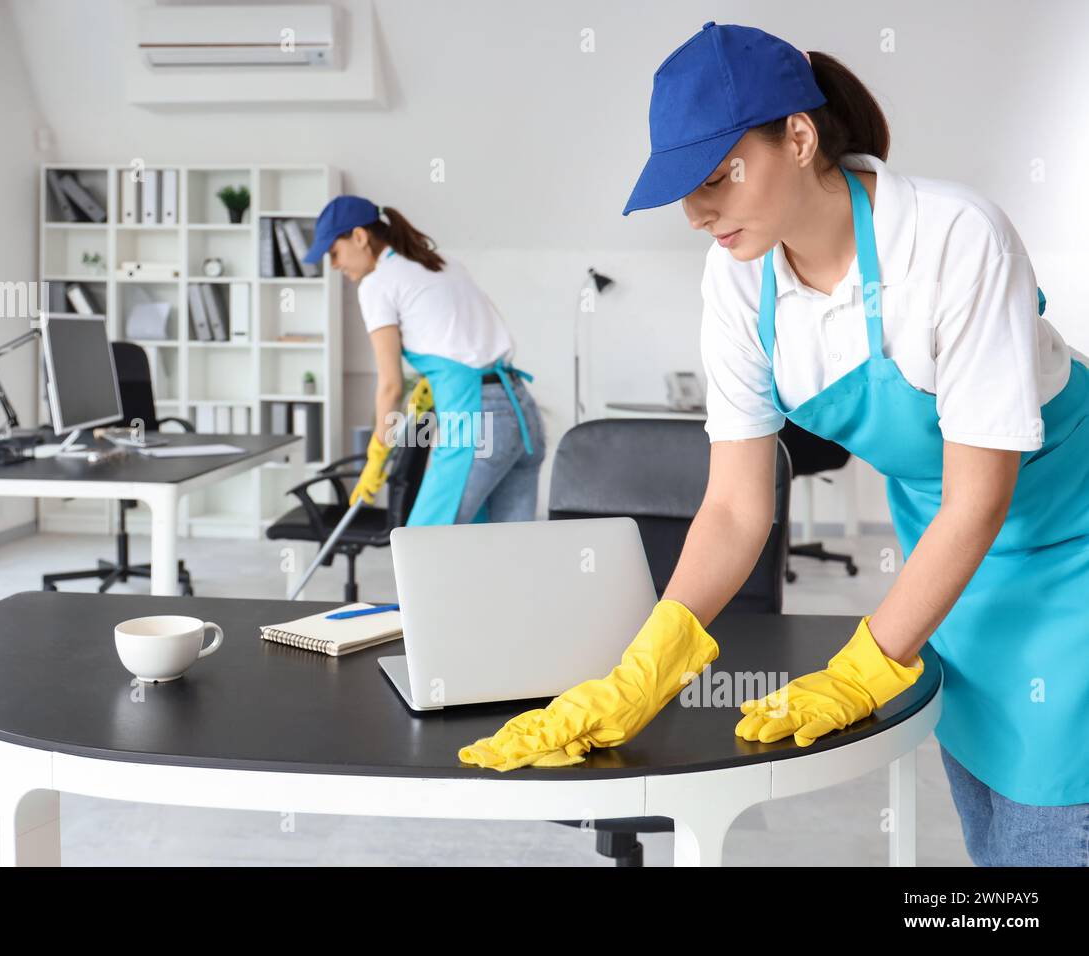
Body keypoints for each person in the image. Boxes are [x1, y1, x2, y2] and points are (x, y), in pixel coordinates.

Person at [458, 21, 1089, 867]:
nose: (698, 212)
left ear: (798, 137)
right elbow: (735, 504)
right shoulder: (738, 278)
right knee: (989, 819)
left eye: (719, 176)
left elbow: (983, 494)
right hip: (950, 556)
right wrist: (650, 663)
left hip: (1068, 545)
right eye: (686, 189)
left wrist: (865, 664)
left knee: (1043, 830)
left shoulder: (951, 239)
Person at [302, 196, 545, 525]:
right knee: (503, 550)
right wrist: (435, 381)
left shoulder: (377, 284)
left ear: (359, 236)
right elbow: (468, 337)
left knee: (422, 546)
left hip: (478, 421)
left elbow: (390, 385)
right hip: (522, 415)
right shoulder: (442, 262)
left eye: (333, 252)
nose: (333, 265)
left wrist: (376, 454)